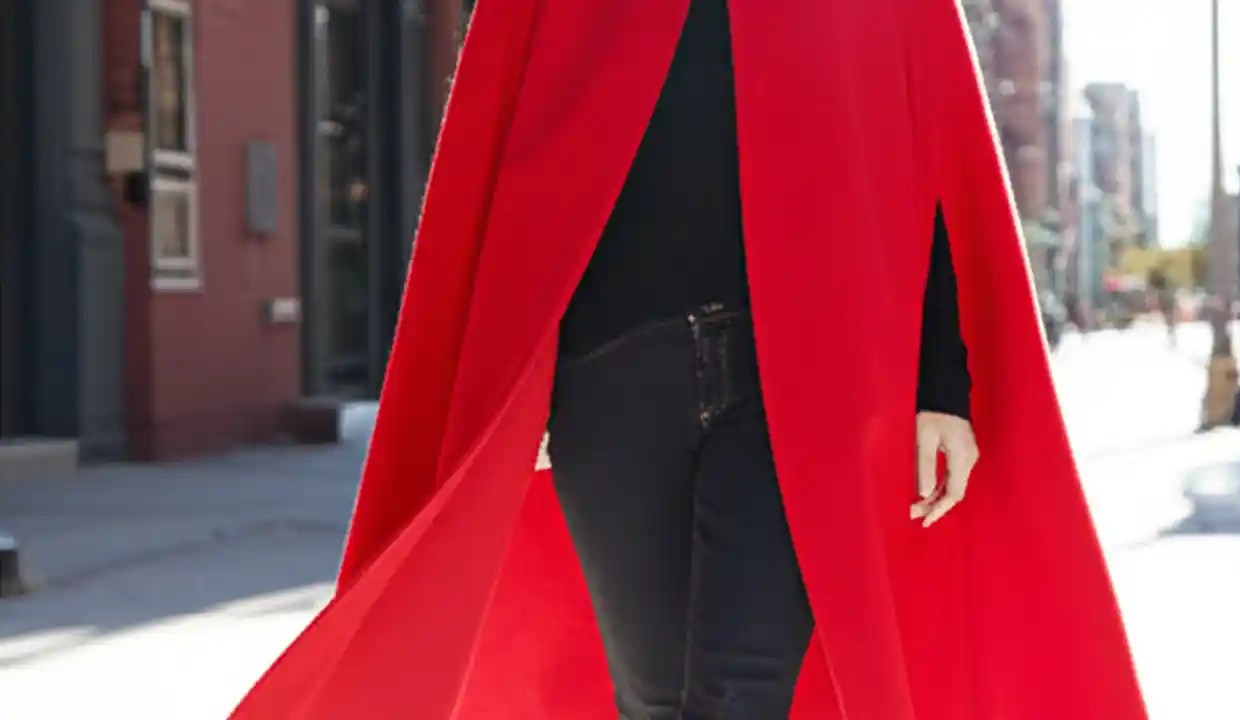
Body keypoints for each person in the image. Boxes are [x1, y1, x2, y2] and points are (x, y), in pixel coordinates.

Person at [234, 2, 1148, 718]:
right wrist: (507, 384)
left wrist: (940, 382)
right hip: (613, 376)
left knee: (739, 692)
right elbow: (501, 156)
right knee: (656, 699)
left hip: (803, 380)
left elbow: (931, 148)